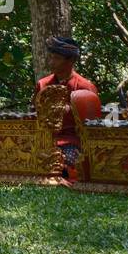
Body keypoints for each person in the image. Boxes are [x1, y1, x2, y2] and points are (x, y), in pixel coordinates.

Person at [32, 36, 97, 173]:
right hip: (43, 139)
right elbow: (34, 114)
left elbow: (92, 126)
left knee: (62, 163)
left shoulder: (85, 87)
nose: (52, 62)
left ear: (71, 61)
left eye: (57, 58)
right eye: (51, 57)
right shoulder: (42, 84)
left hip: (71, 141)